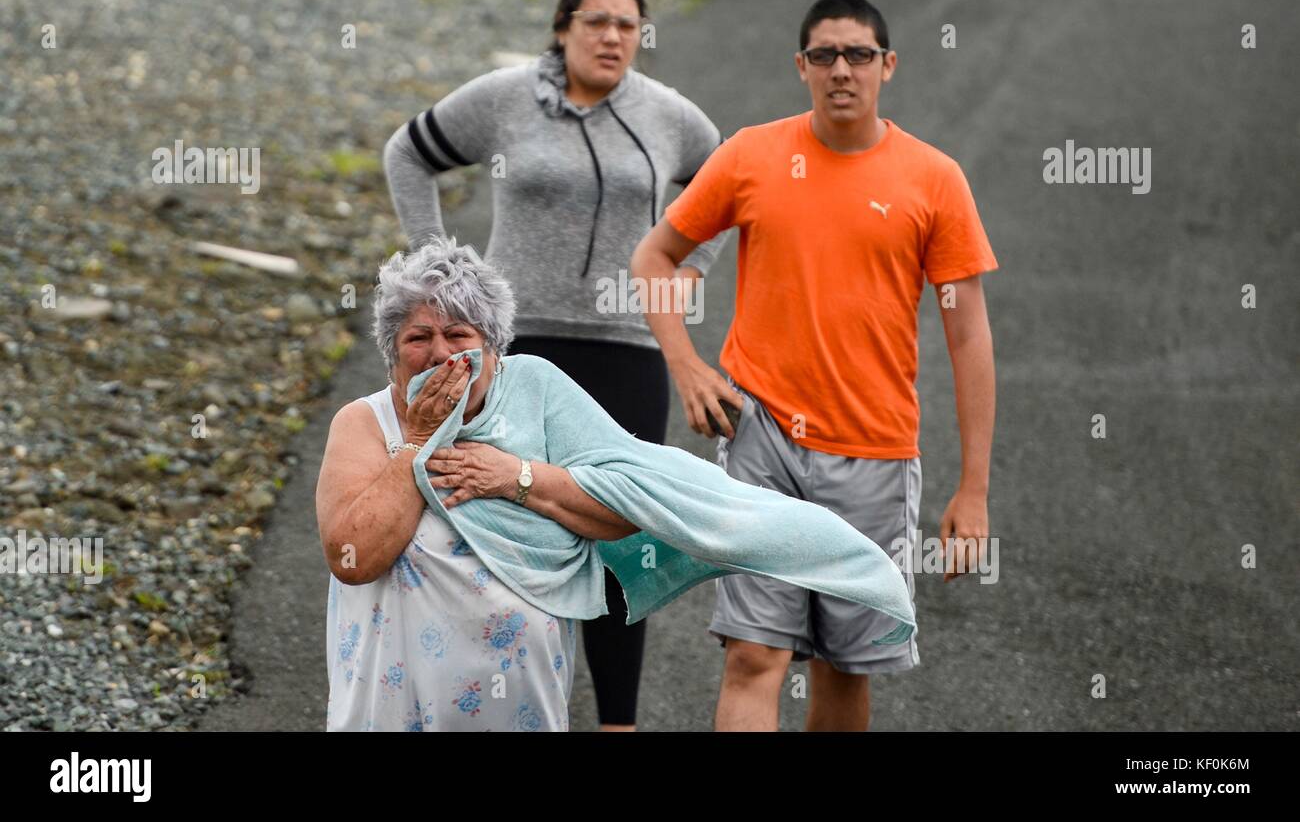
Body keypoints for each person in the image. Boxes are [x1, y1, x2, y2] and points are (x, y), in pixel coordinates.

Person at [316, 237, 917, 732]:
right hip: (396, 698)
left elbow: (621, 504)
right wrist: (417, 446)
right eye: (418, 338)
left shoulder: (536, 391)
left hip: (517, 694)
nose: (440, 354)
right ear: (391, 354)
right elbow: (354, 557)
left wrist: (519, 477)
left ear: (493, 348)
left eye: (459, 336)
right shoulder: (366, 424)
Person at [632, 0, 999, 731]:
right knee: (752, 657)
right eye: (825, 55)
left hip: (874, 453)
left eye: (859, 54)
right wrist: (687, 364)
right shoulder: (751, 155)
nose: (842, 69)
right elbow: (654, 255)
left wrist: (974, 490)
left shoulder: (934, 178)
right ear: (801, 66)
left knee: (843, 667)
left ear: (887, 66)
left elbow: (968, 337)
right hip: (761, 439)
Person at [381, 0, 729, 732]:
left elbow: (729, 190)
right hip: (517, 352)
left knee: (620, 534)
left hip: (628, 352)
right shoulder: (507, 100)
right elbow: (406, 153)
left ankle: (617, 723)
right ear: (563, 28)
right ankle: (494, 710)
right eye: (596, 21)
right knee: (508, 519)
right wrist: (439, 279)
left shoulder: (667, 115)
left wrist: (682, 278)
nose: (612, 37)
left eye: (627, 25)